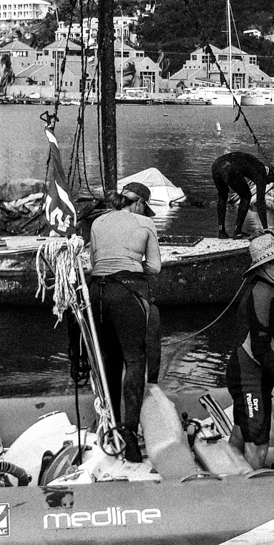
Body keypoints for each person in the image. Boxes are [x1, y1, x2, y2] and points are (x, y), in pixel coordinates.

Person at [87, 180, 162, 463]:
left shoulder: (97, 222)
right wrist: (132, 262)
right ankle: (129, 434)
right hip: (127, 293)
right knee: (134, 360)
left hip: (96, 293)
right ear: (140, 203)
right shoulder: (145, 223)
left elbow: (94, 263)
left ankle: (111, 425)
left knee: (109, 360)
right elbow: (155, 267)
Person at [226, 231, 274, 469]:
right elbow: (259, 349)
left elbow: (267, 337)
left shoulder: (270, 289)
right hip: (250, 380)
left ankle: (230, 475)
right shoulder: (261, 294)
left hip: (249, 376)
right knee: (259, 442)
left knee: (243, 429)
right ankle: (250, 487)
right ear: (261, 267)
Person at [211, 151, 274, 239]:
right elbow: (260, 202)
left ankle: (221, 232)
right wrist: (266, 229)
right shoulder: (262, 172)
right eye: (270, 181)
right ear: (270, 175)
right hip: (229, 167)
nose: (267, 184)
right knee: (246, 196)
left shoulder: (256, 165)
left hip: (216, 165)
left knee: (222, 195)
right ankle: (237, 232)